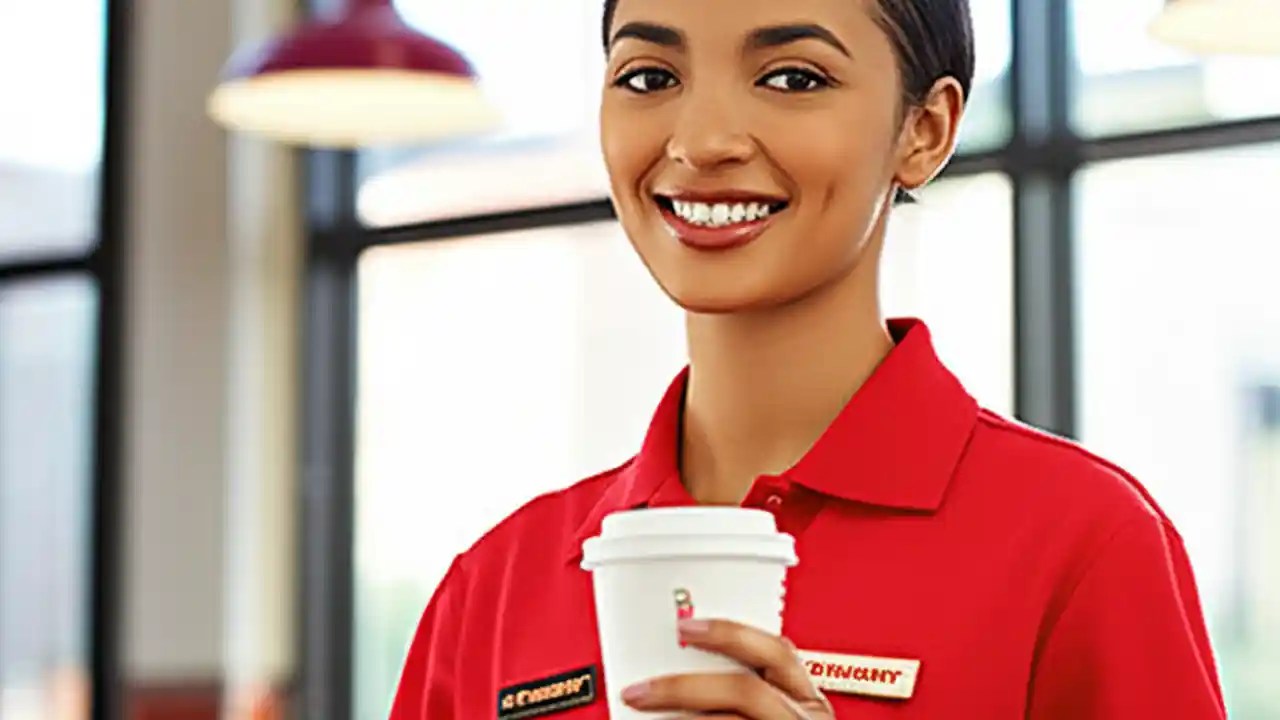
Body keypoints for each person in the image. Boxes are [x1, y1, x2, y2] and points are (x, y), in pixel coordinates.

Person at [390, 0, 1227, 717]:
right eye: (649, 77)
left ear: (925, 130)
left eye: (793, 78)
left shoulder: (1083, 545)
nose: (702, 141)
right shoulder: (494, 588)